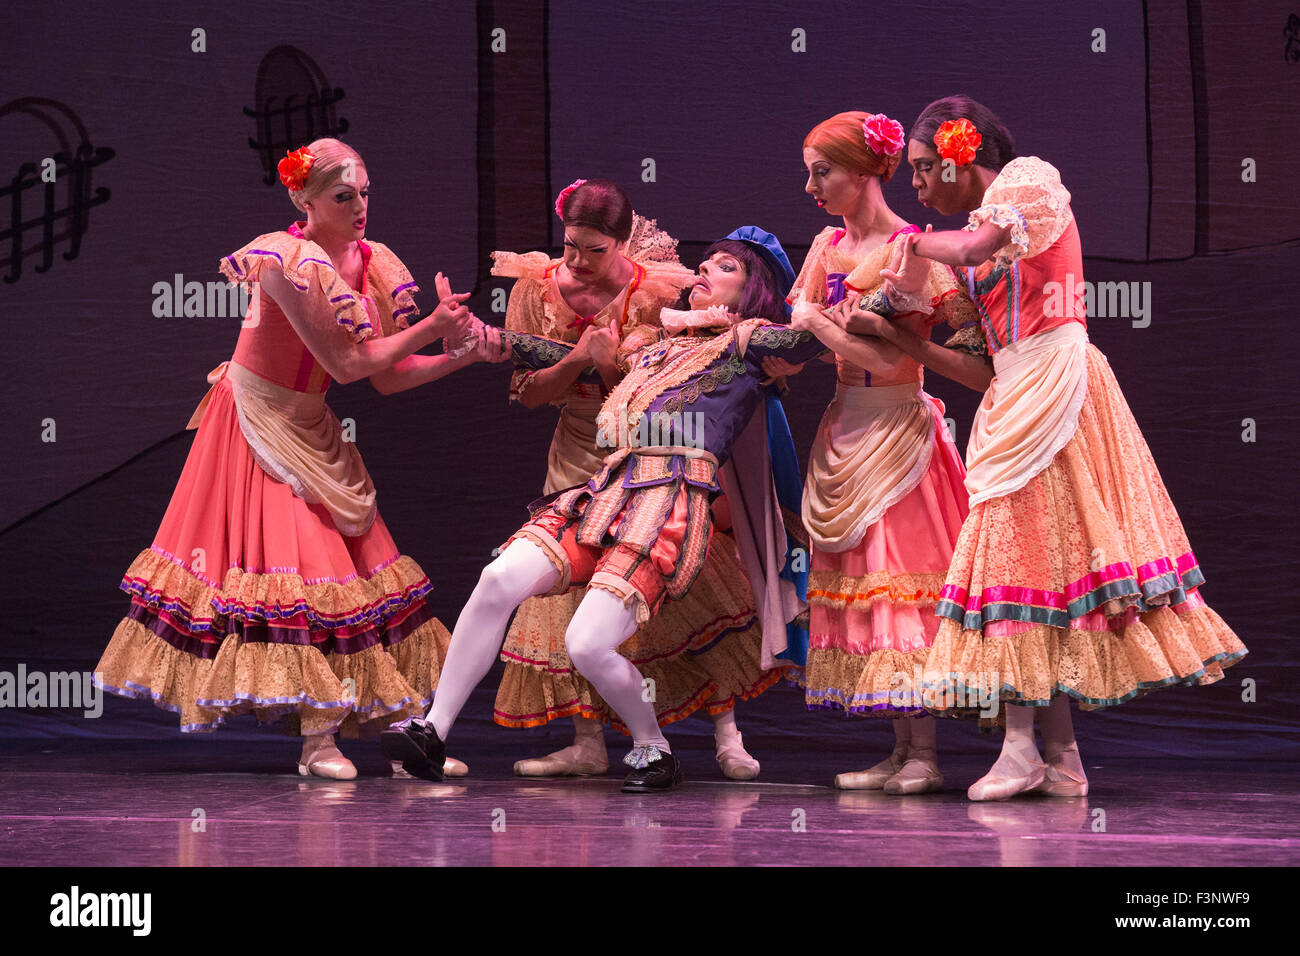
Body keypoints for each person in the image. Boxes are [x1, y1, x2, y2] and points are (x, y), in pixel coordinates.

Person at [844, 96, 1247, 799]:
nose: (915, 186)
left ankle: (1023, 746)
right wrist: (905, 341)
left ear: (956, 157)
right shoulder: (971, 241)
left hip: (1059, 383)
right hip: (1013, 392)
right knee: (1040, 566)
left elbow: (972, 246)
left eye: (920, 169)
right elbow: (978, 365)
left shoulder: (1027, 182)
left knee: (1012, 557)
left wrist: (903, 246)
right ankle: (1060, 757)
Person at [94, 138, 500, 779]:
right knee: (309, 571)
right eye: (344, 196)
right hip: (258, 423)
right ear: (302, 200)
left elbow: (387, 379)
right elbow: (347, 363)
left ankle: (403, 741)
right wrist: (434, 329)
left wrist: (461, 354)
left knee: (367, 573)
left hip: (310, 423)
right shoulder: (285, 260)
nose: (361, 207)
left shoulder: (375, 262)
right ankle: (317, 744)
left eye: (365, 193)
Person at [383, 227, 831, 792]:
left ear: (754, 291)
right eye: (706, 262)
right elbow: (552, 354)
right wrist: (484, 335)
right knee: (498, 578)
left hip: (668, 502)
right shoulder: (656, 345)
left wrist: (835, 306)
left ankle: (652, 747)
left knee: (587, 642)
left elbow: (807, 341)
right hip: (605, 490)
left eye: (724, 267)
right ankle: (432, 730)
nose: (704, 272)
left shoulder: (751, 345)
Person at [491, 181, 780, 780]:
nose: (576, 261)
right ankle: (589, 739)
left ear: (621, 244)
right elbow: (525, 394)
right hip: (582, 443)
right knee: (571, 589)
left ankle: (726, 731)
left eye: (593, 250)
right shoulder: (534, 286)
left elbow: (680, 360)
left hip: (657, 442)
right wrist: (576, 359)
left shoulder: (660, 287)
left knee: (684, 577)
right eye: (570, 246)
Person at [779, 111, 977, 794]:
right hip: (844, 428)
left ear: (864, 173)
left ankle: (925, 752)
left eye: (821, 171)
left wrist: (815, 327)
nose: (811, 186)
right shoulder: (827, 245)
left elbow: (891, 358)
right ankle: (898, 747)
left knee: (901, 587)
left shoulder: (911, 249)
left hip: (897, 431)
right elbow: (799, 333)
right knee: (864, 589)